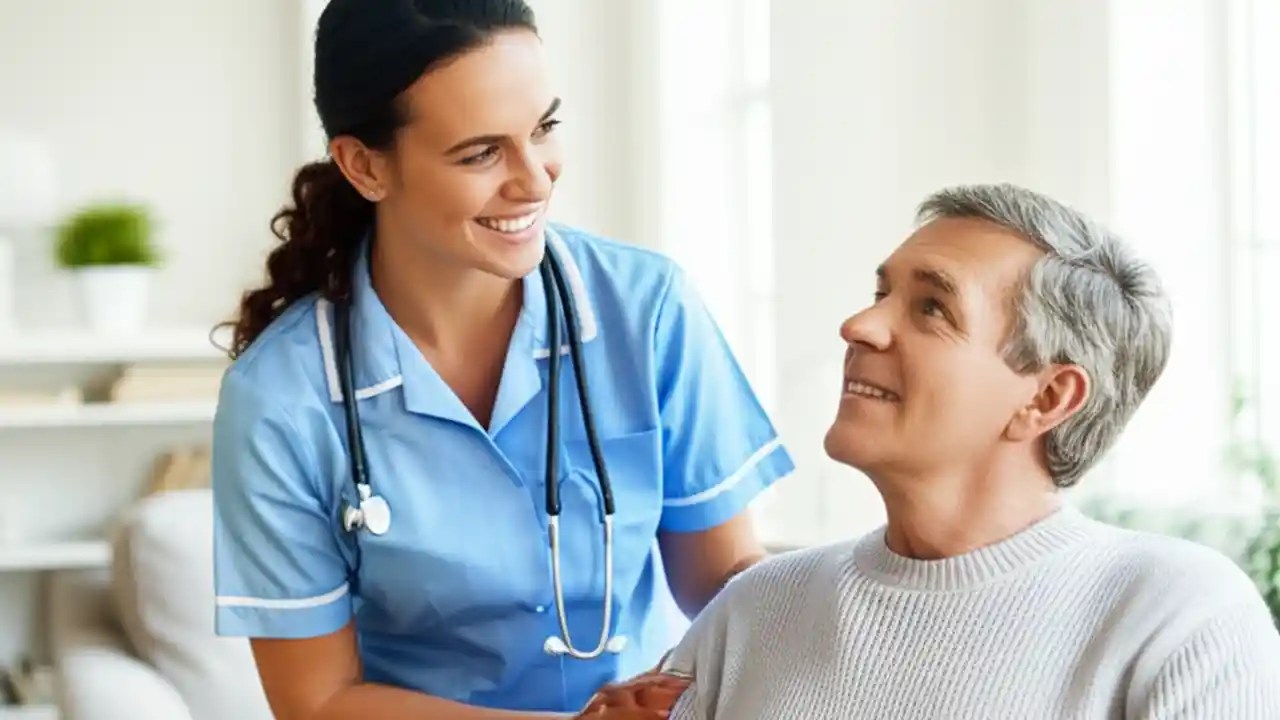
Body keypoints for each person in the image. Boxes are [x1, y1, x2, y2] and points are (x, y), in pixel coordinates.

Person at [209, 1, 794, 717]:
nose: (535, 179)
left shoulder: (646, 311)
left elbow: (724, 580)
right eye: (481, 152)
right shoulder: (281, 399)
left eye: (543, 129)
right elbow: (318, 700)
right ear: (365, 166)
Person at [593, 183, 1280, 718]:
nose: (859, 325)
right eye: (881, 293)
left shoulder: (1178, 613)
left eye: (931, 309)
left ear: (1046, 398)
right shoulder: (755, 610)